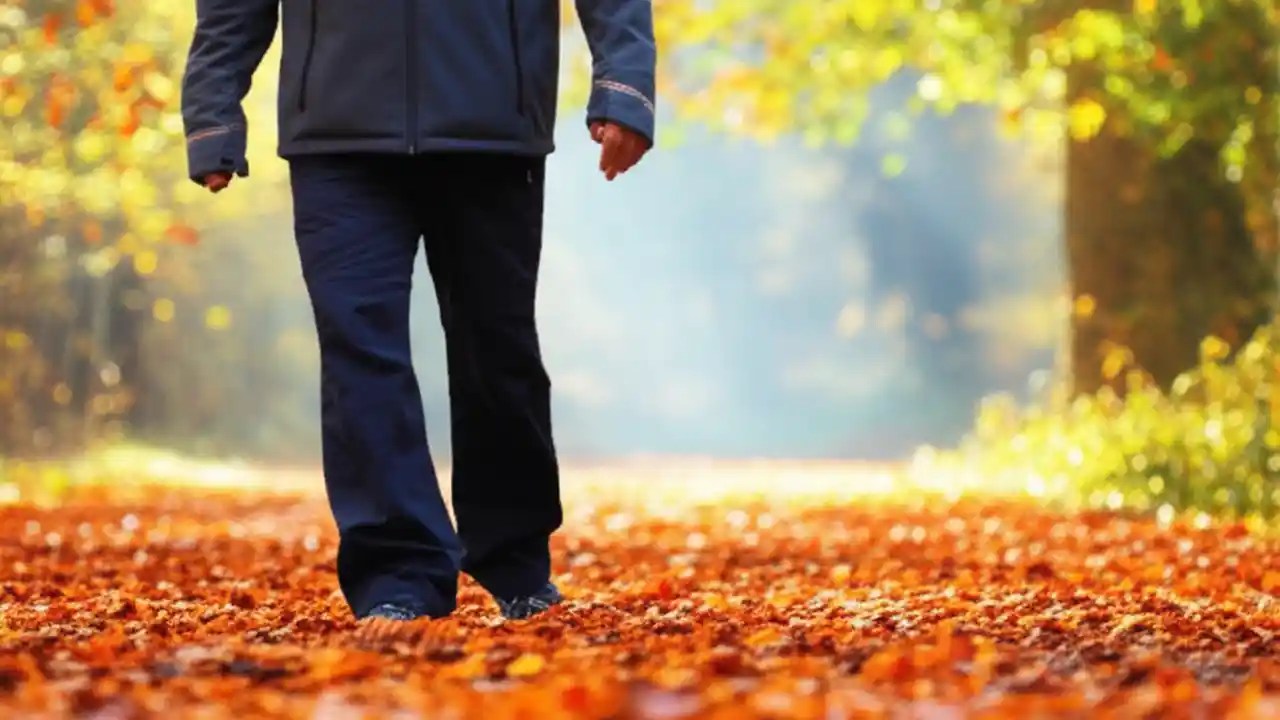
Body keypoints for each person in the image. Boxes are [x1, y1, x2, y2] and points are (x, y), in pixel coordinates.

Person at [180, 0, 654, 624]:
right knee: (358, 349)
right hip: (337, 137)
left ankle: (513, 558)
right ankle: (397, 574)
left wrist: (624, 90)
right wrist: (212, 110)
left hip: (491, 130)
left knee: (497, 349)